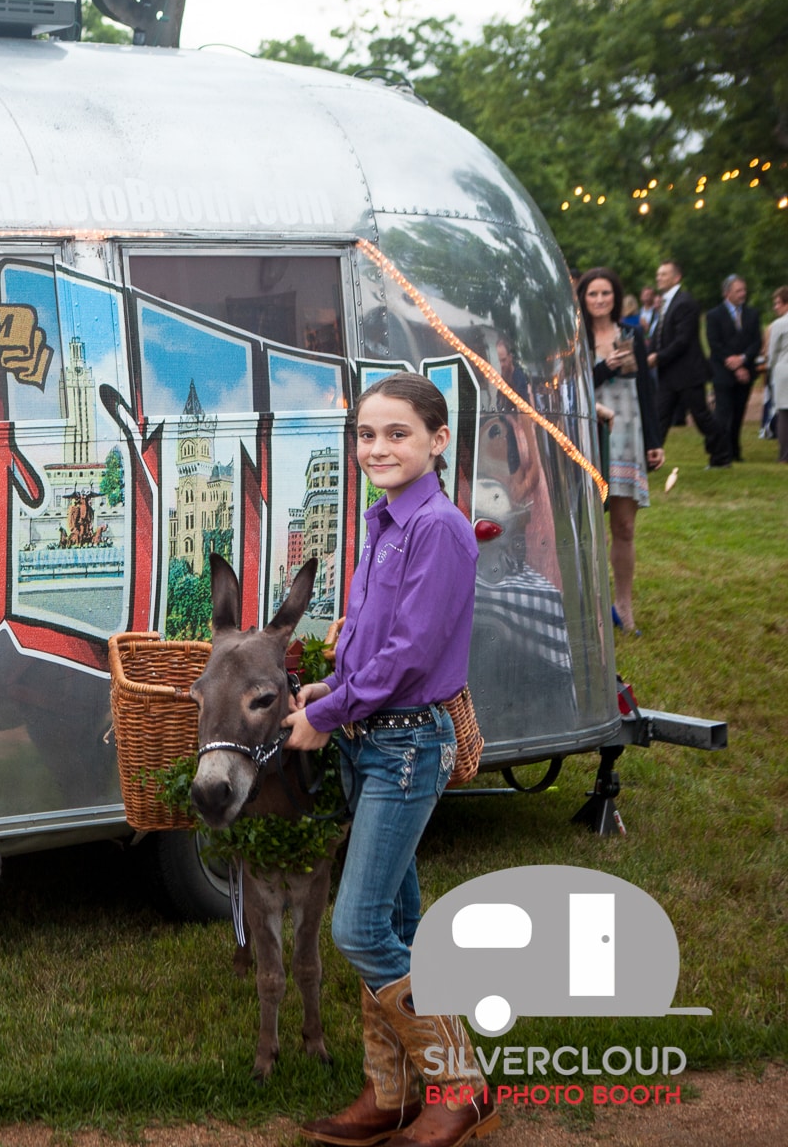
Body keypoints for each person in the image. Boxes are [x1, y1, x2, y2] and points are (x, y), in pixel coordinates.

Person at [283, 373, 494, 1147]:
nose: (378, 448)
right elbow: (377, 634)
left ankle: (460, 1085)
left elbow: (412, 656)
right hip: (373, 739)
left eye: (397, 433)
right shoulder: (386, 521)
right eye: (367, 434)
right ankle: (395, 1091)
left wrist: (329, 714)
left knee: (361, 927)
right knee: (399, 922)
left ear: (438, 441)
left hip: (406, 744)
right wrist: (333, 682)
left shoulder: (437, 527)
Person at [578, 269, 663, 634]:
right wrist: (603, 368)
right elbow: (569, 385)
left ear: (616, 297)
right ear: (583, 297)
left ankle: (623, 606)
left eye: (606, 294)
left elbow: (646, 387)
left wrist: (654, 441)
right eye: (593, 294)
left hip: (629, 433)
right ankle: (588, 608)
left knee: (625, 527)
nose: (599, 300)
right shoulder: (573, 338)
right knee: (589, 528)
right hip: (588, 433)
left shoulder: (631, 335)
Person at [646, 260, 723, 465]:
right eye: (658, 274)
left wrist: (658, 357)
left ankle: (721, 454)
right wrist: (649, 353)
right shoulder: (664, 302)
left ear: (676, 277)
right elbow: (659, 334)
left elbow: (682, 340)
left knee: (701, 416)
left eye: (664, 274)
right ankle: (651, 460)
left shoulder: (685, 302)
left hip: (688, 373)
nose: (659, 278)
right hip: (669, 374)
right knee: (660, 416)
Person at [704, 275, 763, 466]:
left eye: (744, 290)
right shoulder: (714, 315)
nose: (743, 294)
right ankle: (722, 451)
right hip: (722, 371)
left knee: (739, 412)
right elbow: (715, 343)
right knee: (723, 413)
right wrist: (732, 363)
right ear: (727, 293)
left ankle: (735, 449)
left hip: (746, 370)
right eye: (738, 291)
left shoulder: (752, 314)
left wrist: (743, 360)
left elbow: (756, 341)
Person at [766, 286, 788, 462]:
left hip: (783, 370)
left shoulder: (779, 324)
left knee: (784, 414)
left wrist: (770, 366)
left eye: (778, 303)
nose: (775, 307)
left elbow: (772, 352)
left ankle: (785, 455)